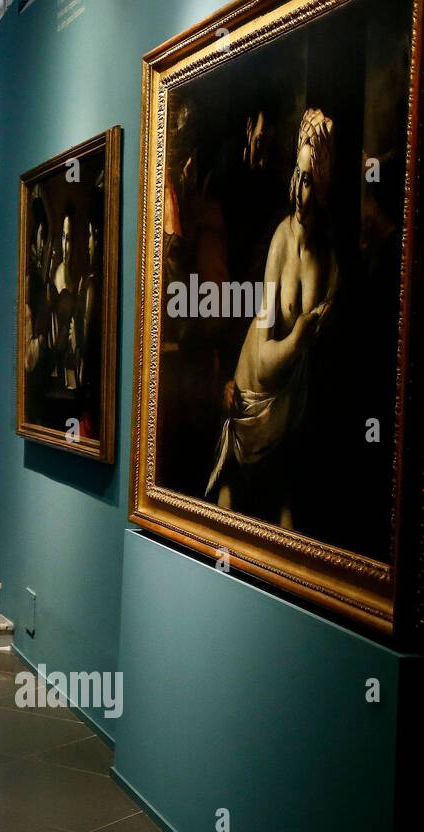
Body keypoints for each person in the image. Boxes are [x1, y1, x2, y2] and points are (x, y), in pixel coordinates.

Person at [205, 107, 339, 529]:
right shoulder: (278, 237)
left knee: (285, 512)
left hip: (291, 403)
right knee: (230, 500)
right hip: (253, 391)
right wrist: (298, 337)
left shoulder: (332, 263)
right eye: (296, 179)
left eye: (308, 181)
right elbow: (260, 357)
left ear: (321, 183)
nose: (300, 192)